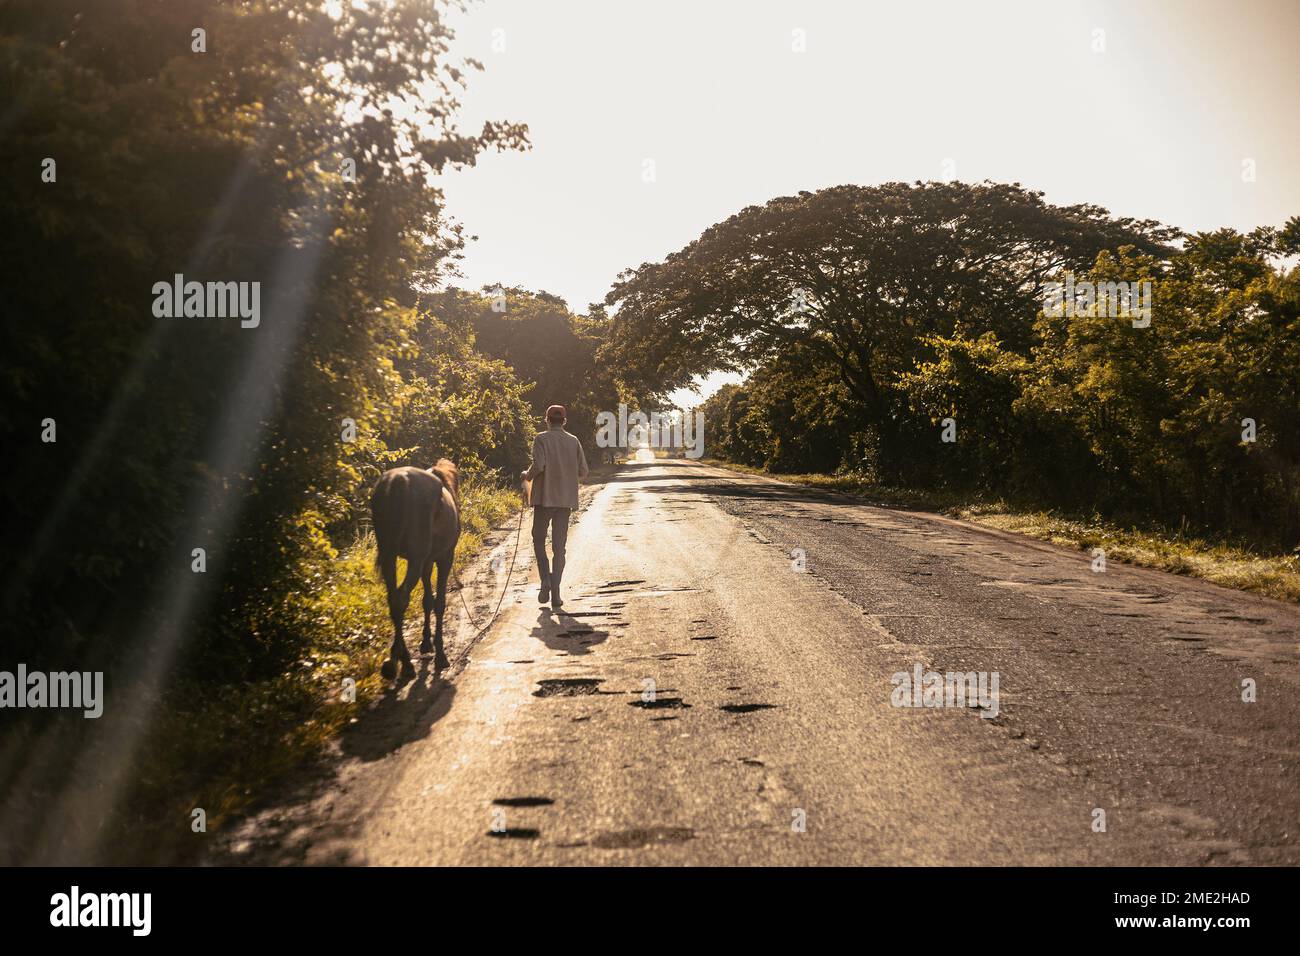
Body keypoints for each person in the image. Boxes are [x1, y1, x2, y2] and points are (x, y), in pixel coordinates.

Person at [522, 404, 589, 608]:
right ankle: (556, 594)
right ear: (565, 421)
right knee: (559, 548)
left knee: (538, 540)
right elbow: (583, 471)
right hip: (565, 502)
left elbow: (539, 465)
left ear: (547, 420)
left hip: (544, 500)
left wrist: (526, 475)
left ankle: (545, 581)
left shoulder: (541, 439)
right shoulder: (573, 441)